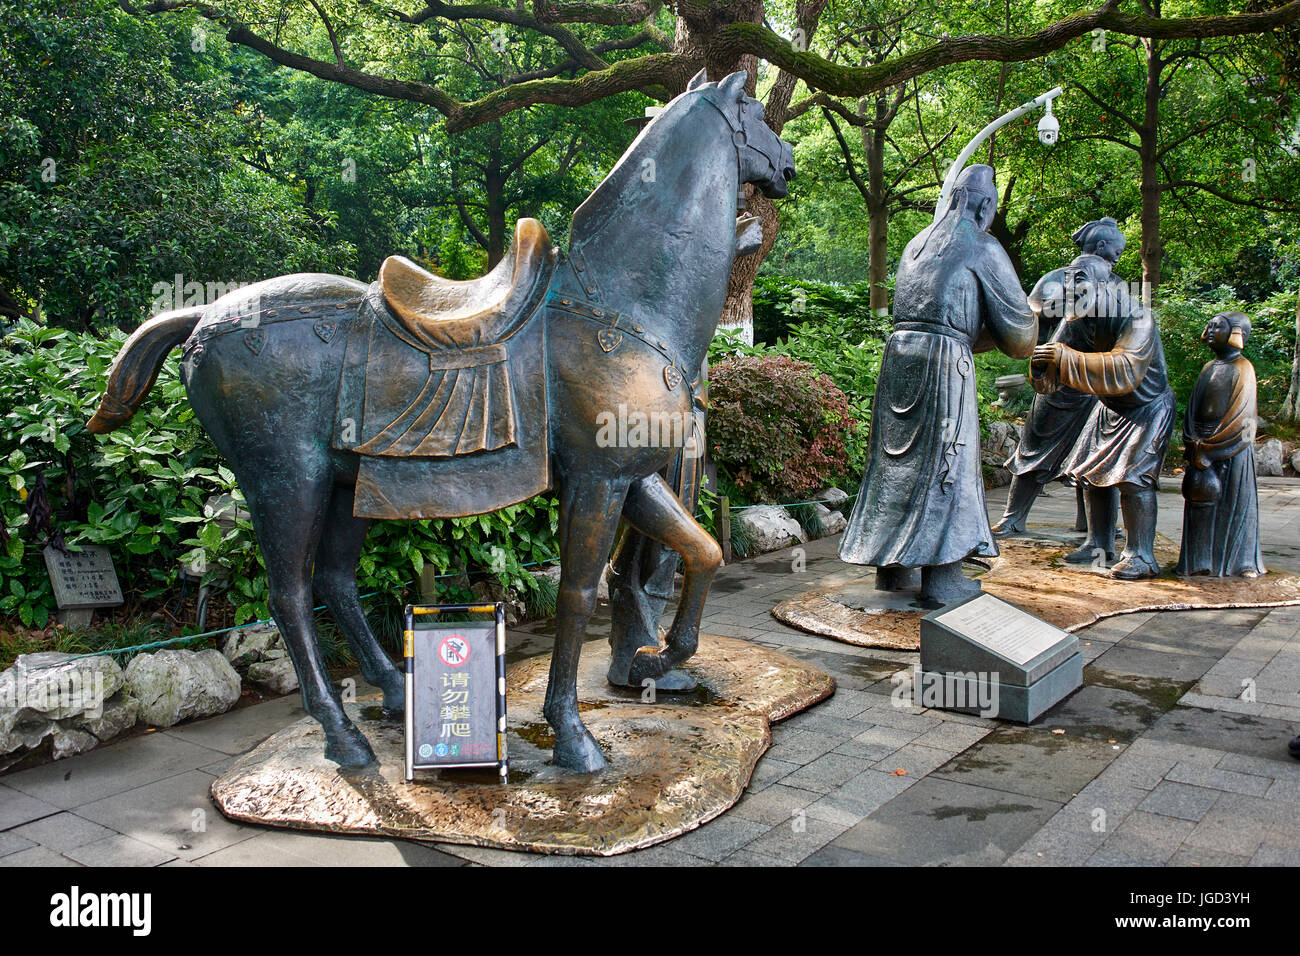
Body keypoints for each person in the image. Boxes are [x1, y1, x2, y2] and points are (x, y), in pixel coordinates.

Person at [839, 164, 1036, 604]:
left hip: (899, 360)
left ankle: (892, 571)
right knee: (949, 462)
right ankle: (943, 578)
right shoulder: (983, 247)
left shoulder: (916, 243)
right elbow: (1020, 339)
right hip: (945, 366)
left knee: (896, 468)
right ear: (986, 205)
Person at [1031, 254, 1175, 579]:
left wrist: (1064, 357)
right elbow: (1054, 365)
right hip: (1109, 406)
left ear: (1104, 283)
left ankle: (1141, 555)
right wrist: (1042, 366)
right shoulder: (1077, 318)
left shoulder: (1137, 316)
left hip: (1147, 408)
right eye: (1068, 278)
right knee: (1091, 478)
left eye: (1080, 277)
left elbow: (1127, 367)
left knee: (1133, 480)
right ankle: (1099, 545)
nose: (1071, 285)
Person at [993, 218, 1127, 538]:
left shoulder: (1118, 283)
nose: (1118, 255)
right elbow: (1031, 319)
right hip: (1061, 375)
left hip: (1097, 378)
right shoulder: (1057, 279)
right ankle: (1013, 518)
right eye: (1115, 248)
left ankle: (1094, 523)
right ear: (1098, 246)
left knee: (1096, 452)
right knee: (1035, 446)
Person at [1175, 311, 1265, 577]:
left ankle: (1240, 563)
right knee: (1198, 501)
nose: (1211, 330)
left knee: (1232, 506)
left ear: (1236, 333)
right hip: (1201, 442)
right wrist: (1193, 442)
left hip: (1230, 447)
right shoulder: (1208, 368)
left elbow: (1244, 418)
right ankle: (1196, 562)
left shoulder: (1243, 369)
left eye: (1218, 326)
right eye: (1210, 325)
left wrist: (1213, 448)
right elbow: (1192, 410)